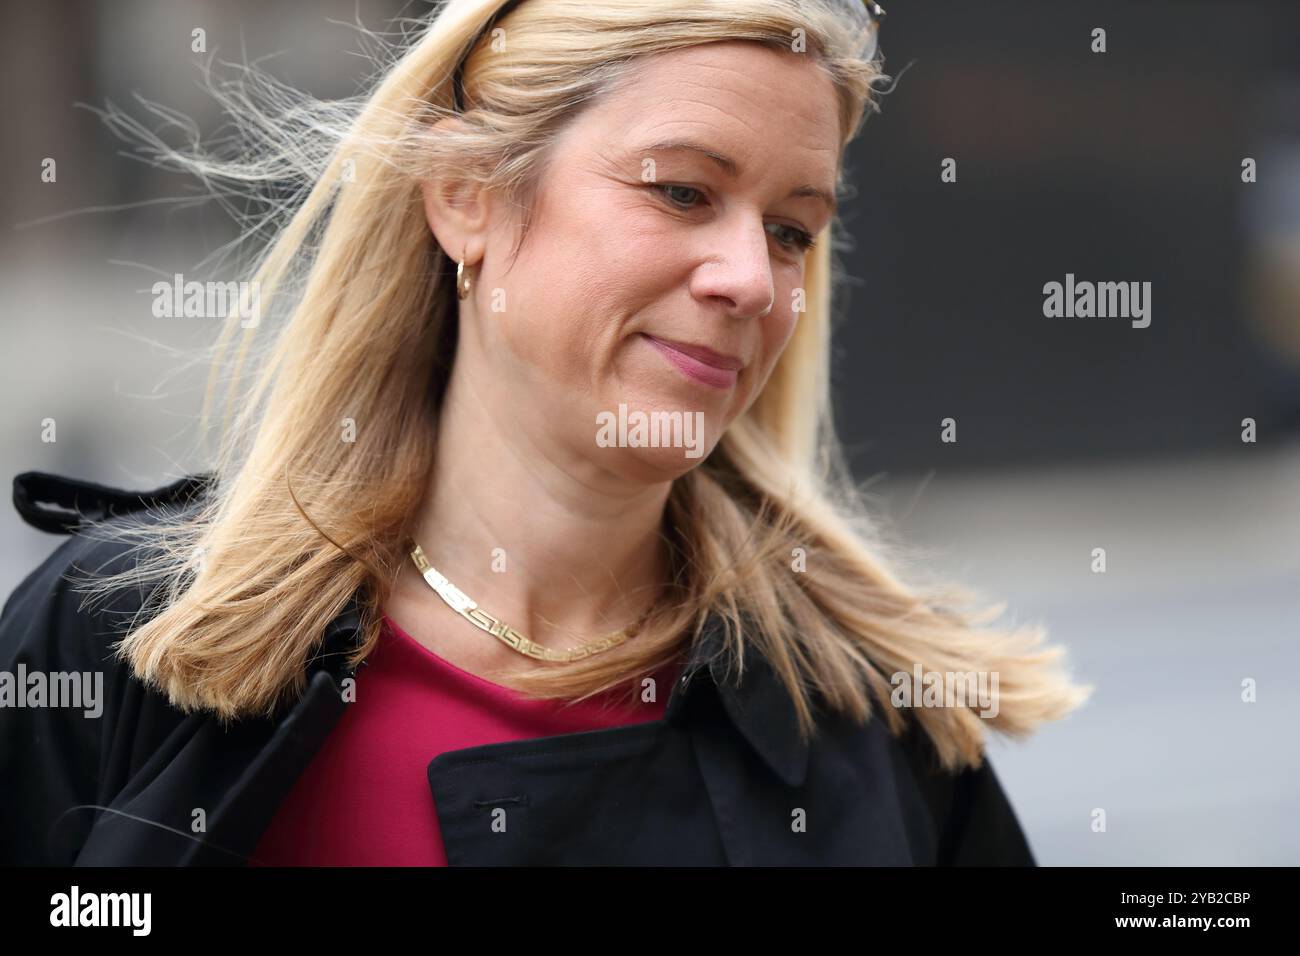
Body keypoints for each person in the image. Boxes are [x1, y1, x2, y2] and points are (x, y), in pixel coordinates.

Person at [0, 0, 1090, 866]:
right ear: (466, 194)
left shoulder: (869, 717)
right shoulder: (130, 640)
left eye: (791, 230)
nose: (750, 278)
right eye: (679, 191)